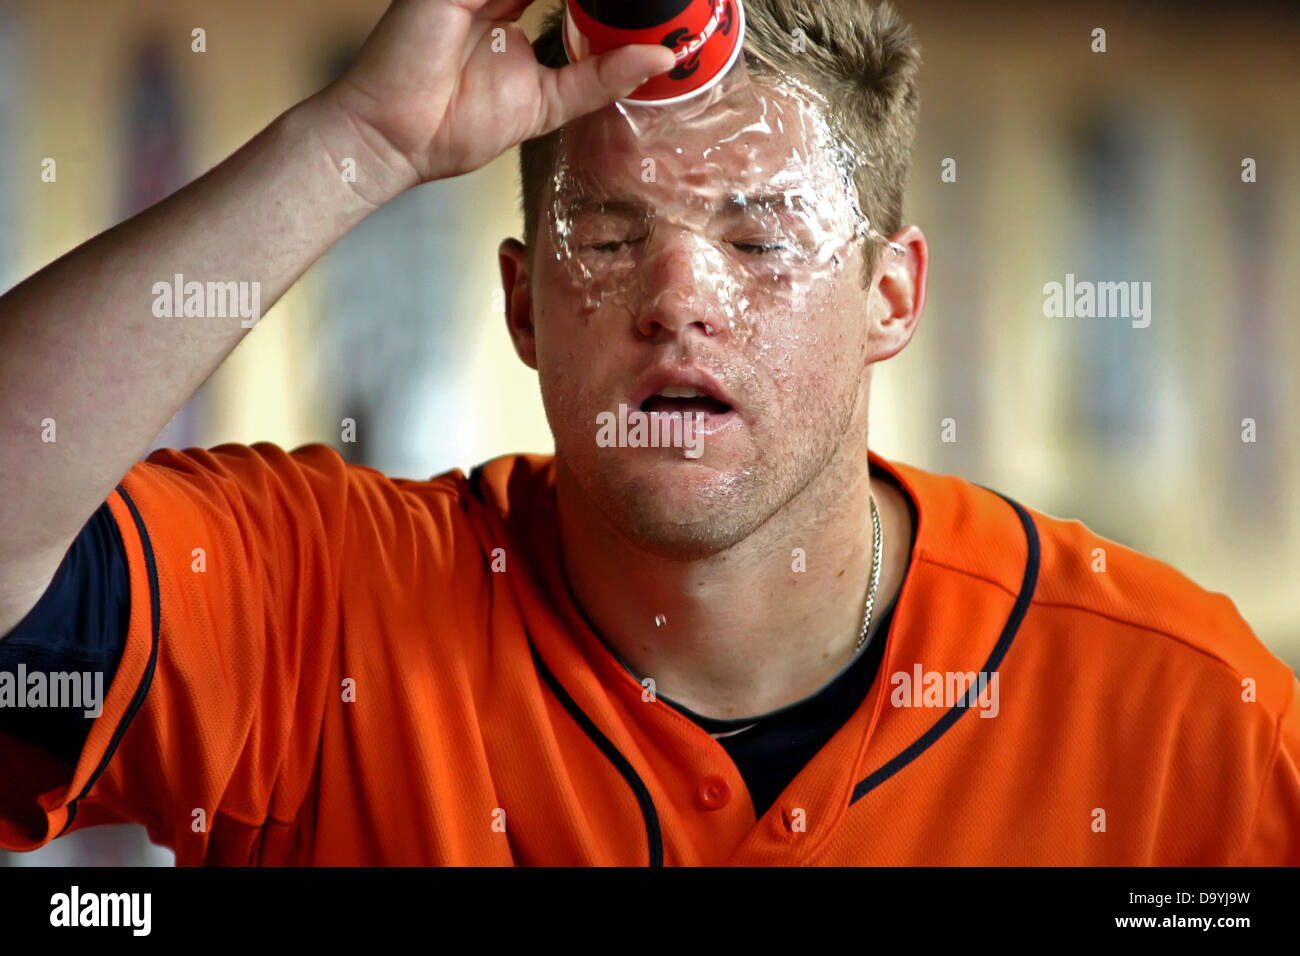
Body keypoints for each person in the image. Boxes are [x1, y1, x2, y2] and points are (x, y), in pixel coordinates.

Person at [0, 0, 1295, 866]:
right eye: (610, 241)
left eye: (761, 241)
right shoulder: (324, 609)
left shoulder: (1190, 715)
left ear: (890, 298)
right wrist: (353, 146)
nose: (680, 300)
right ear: (523, 304)